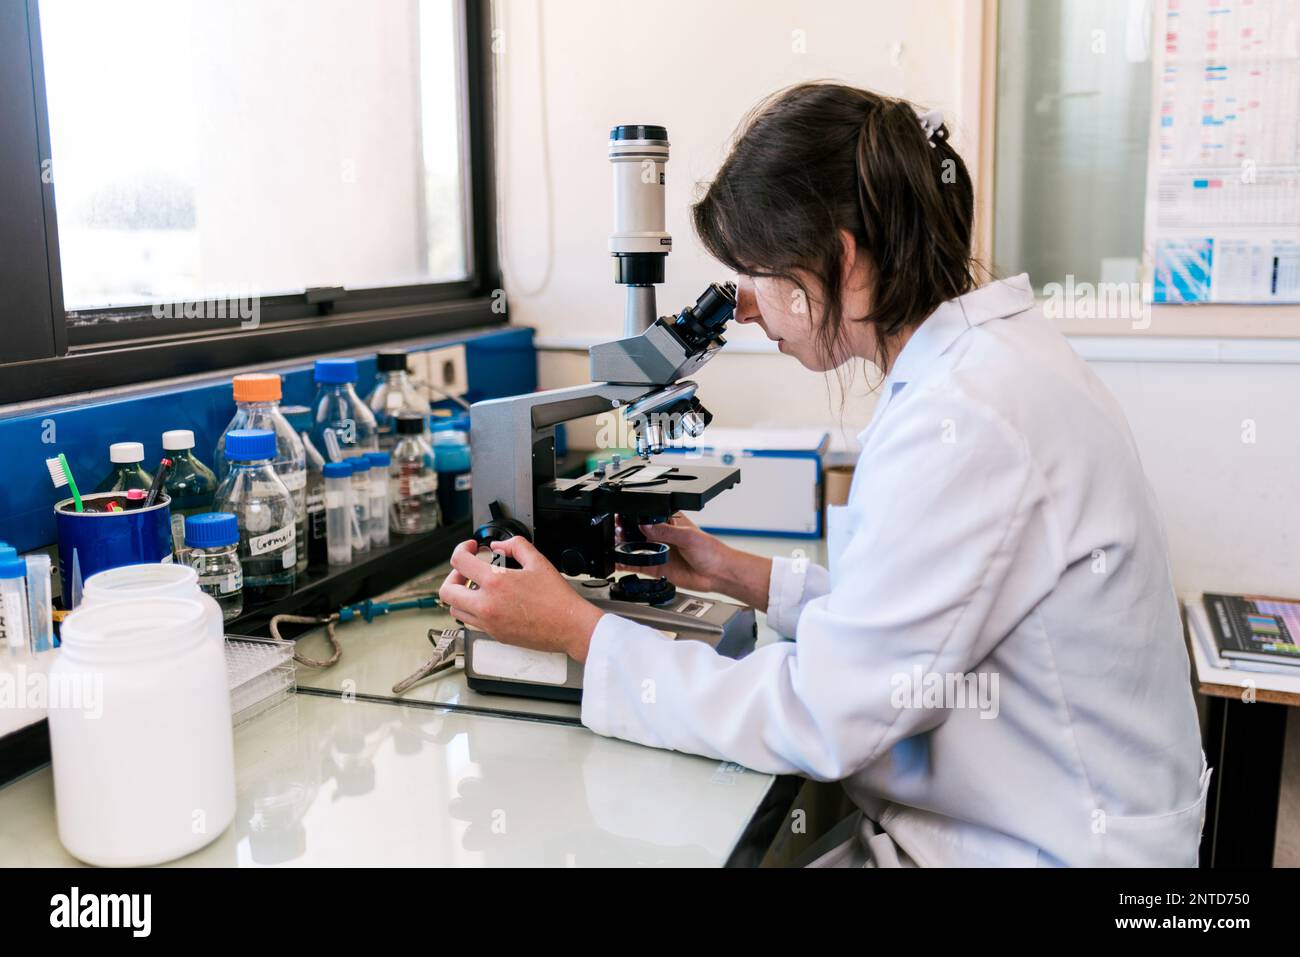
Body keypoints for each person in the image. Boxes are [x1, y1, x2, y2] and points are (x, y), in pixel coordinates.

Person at [439, 82, 1208, 867]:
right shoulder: (987, 366)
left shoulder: (968, 417)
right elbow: (911, 625)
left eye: (755, 272)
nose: (740, 310)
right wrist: (745, 576)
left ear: (839, 258)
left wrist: (581, 633)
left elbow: (824, 715)